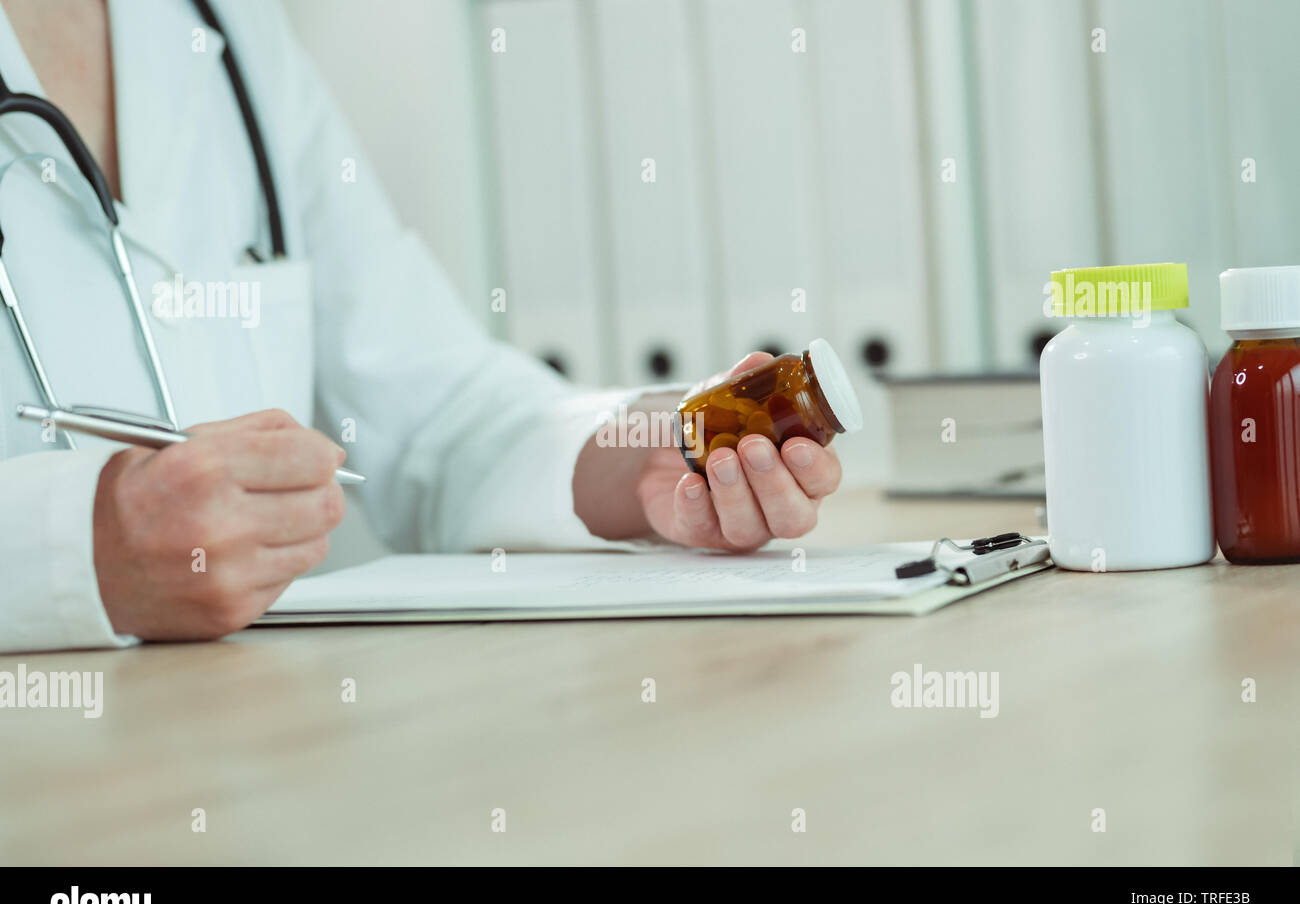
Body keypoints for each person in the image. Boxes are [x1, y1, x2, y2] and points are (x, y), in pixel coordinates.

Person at [0, 0, 842, 652]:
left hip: (253, 739)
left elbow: (441, 417)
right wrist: (73, 549)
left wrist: (646, 456)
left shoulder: (227, 32)